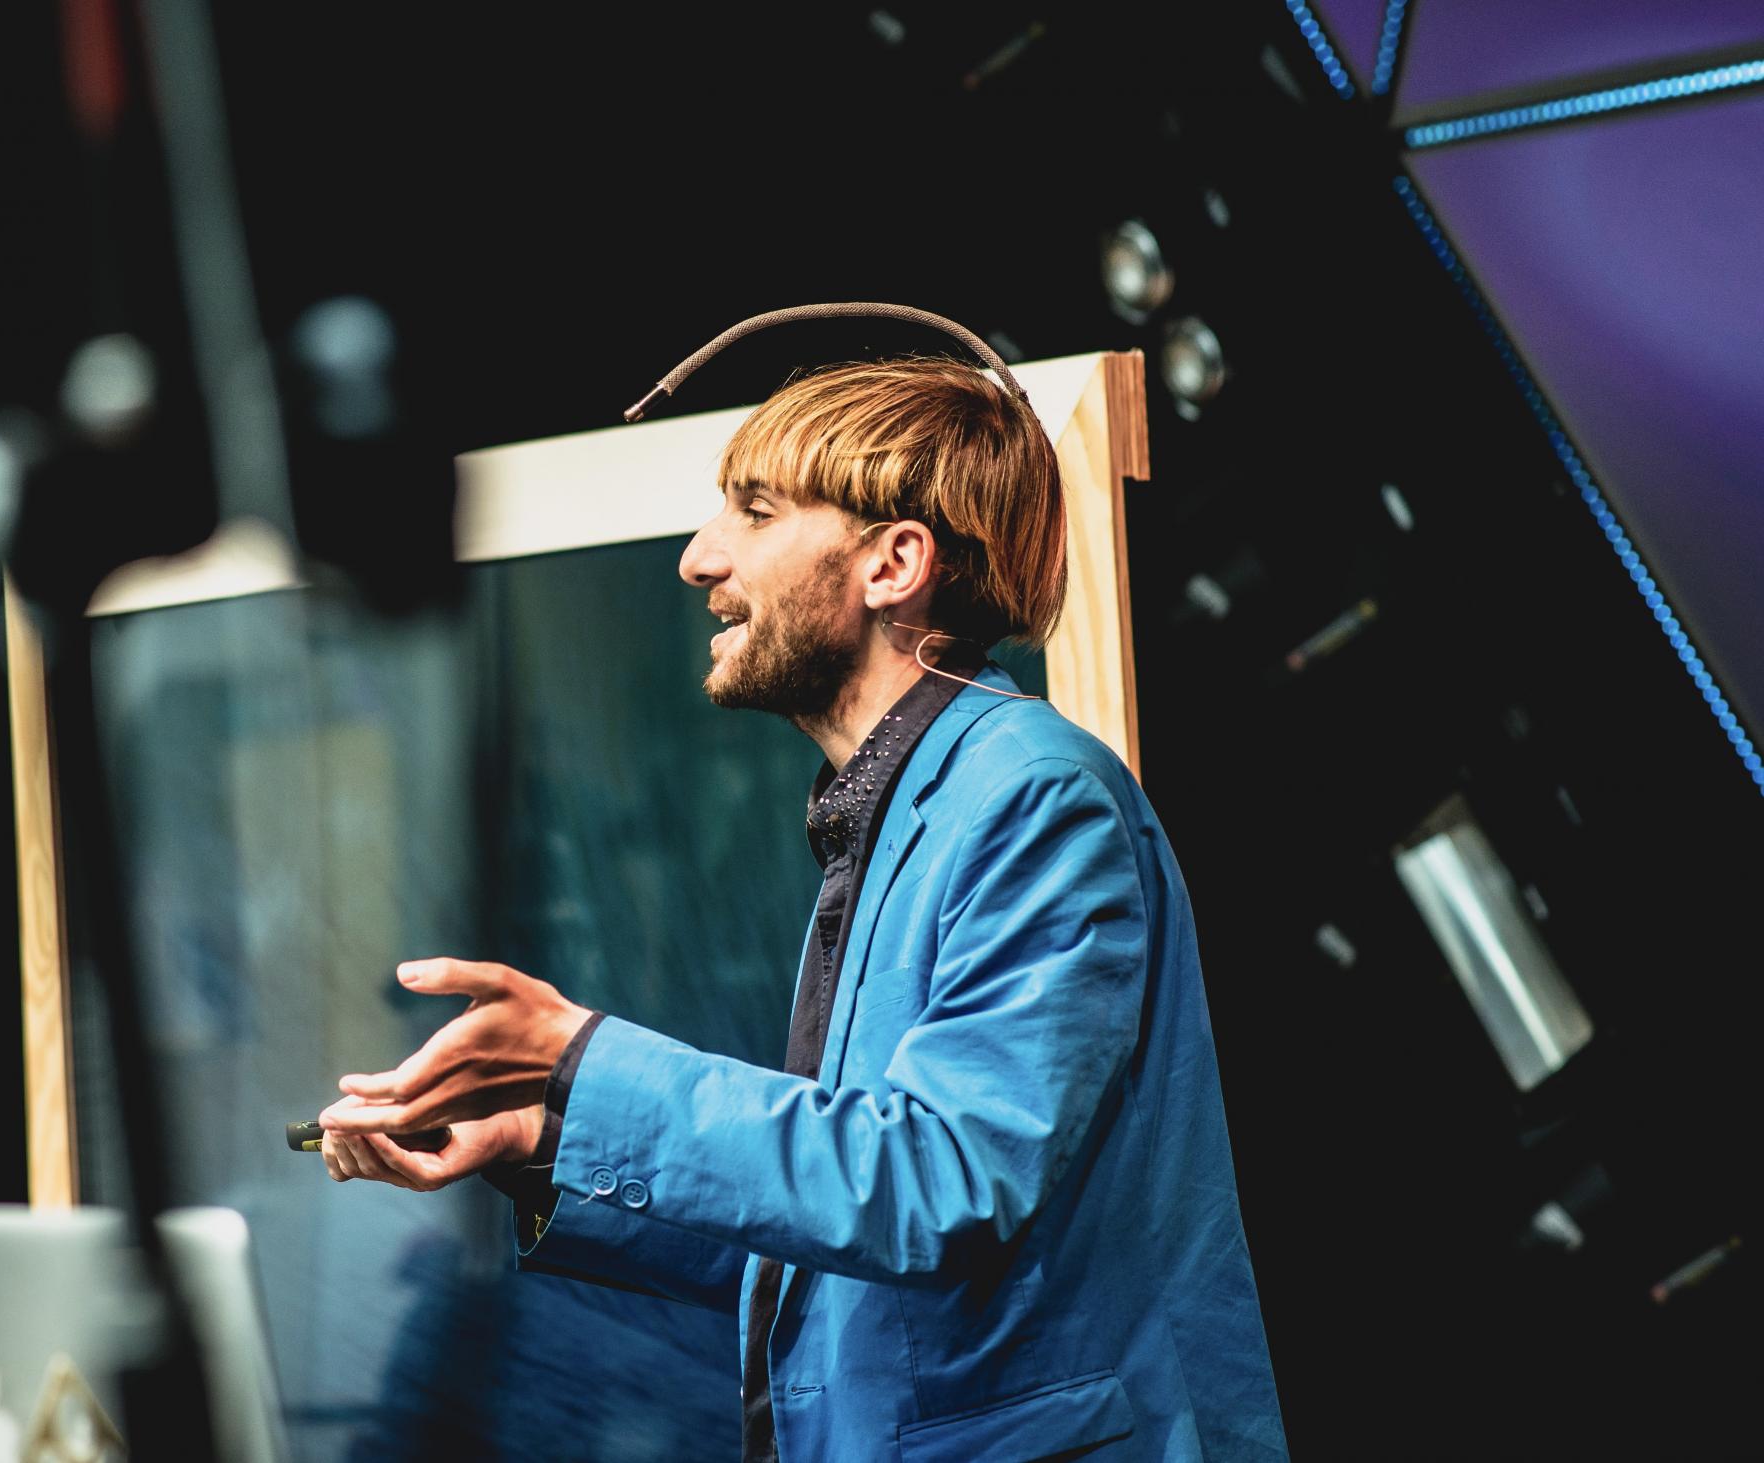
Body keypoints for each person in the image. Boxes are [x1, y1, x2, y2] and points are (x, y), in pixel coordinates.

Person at [318, 355, 1287, 1461]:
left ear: (893, 561)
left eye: (754, 509)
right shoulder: (893, 808)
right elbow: (828, 1232)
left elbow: (940, 1181)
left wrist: (579, 1058)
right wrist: (543, 1140)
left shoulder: (1028, 794)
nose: (698, 558)